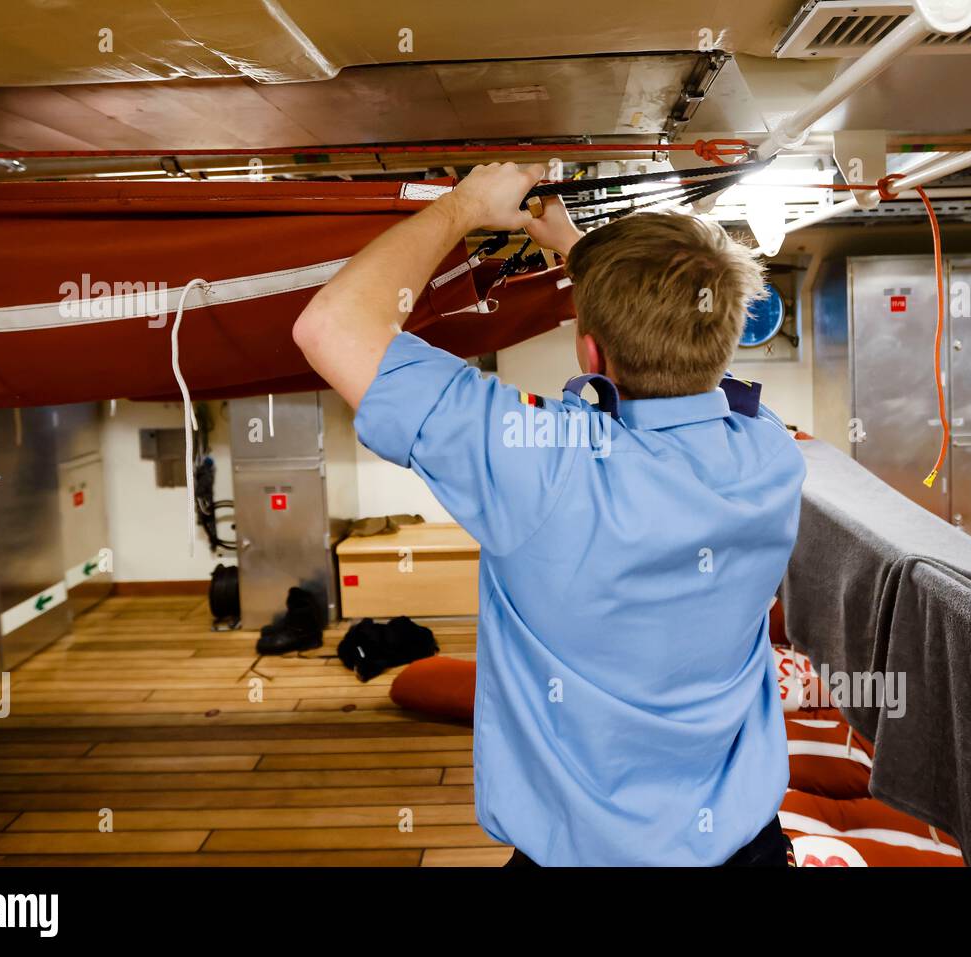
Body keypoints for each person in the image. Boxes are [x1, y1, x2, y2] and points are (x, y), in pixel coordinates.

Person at [293, 162, 806, 866]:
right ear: (726, 340)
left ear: (589, 351)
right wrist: (580, 250)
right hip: (749, 850)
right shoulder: (771, 454)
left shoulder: (543, 465)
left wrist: (464, 207)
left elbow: (330, 325)